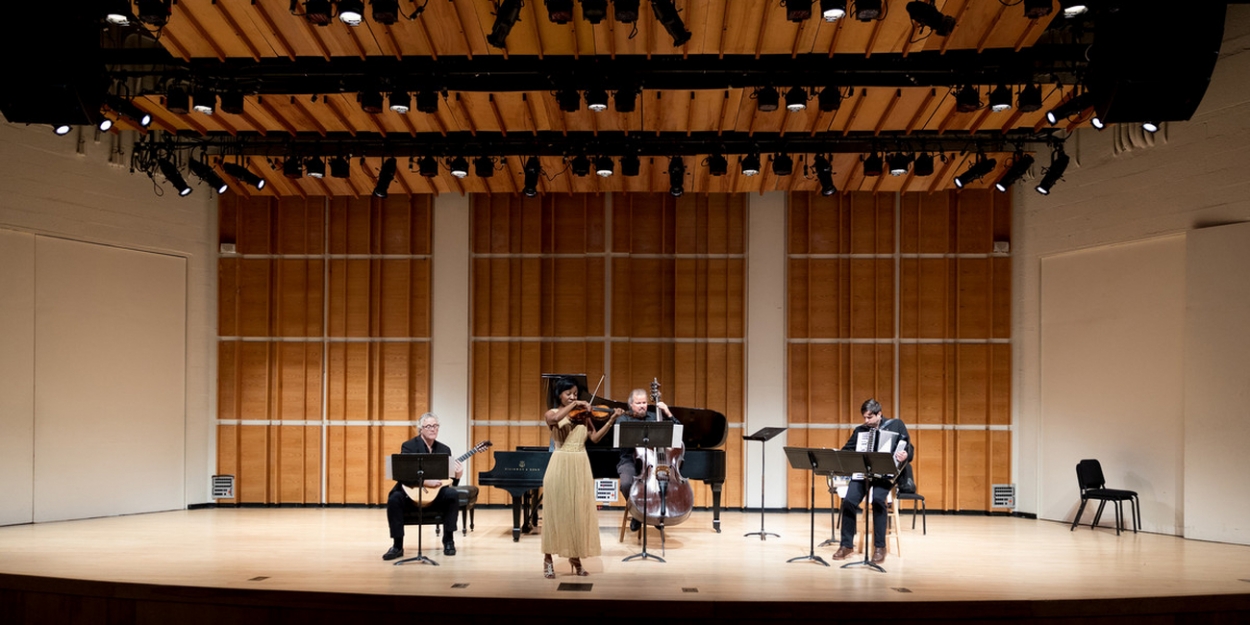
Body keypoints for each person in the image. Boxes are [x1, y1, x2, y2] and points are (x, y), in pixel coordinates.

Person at [542, 377, 620, 578]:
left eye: (575, 393)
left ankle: (575, 559)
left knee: (578, 514)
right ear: (559, 395)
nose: (573, 396)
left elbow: (594, 438)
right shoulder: (552, 413)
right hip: (560, 464)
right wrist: (574, 404)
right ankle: (548, 559)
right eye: (568, 393)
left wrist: (611, 420)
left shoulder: (584, 416)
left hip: (580, 464)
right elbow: (555, 420)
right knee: (555, 514)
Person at [831, 398, 911, 565]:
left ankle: (880, 548)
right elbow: (847, 450)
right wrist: (840, 455)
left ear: (879, 414)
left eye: (869, 417)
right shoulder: (860, 431)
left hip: (885, 475)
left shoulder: (896, 425)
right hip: (862, 474)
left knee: (877, 501)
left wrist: (905, 455)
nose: (866, 421)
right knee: (849, 501)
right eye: (864, 418)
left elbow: (909, 449)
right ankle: (846, 545)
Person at [382, 412, 463, 561]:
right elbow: (403, 474)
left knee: (452, 495)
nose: (433, 429)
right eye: (429, 426)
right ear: (421, 429)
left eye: (436, 426)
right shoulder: (409, 446)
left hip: (435, 495)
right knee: (394, 498)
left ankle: (449, 541)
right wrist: (425, 482)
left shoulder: (445, 450)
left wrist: (457, 476)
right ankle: (397, 545)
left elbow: (448, 480)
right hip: (411, 491)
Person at [615, 388, 674, 532]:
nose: (642, 405)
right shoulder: (623, 419)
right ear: (631, 405)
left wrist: (667, 413)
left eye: (644, 402)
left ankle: (654, 512)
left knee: (662, 483)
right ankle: (638, 513)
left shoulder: (655, 417)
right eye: (638, 403)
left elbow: (676, 430)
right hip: (629, 460)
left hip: (653, 461)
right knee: (626, 484)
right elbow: (619, 438)